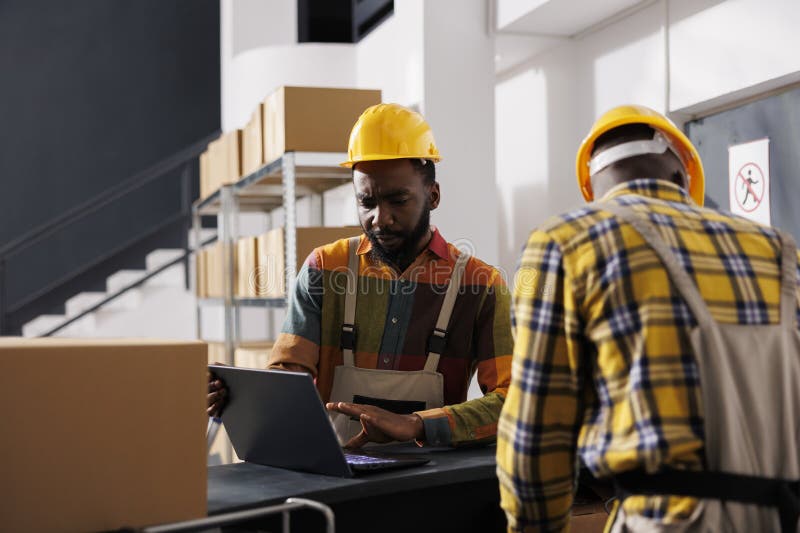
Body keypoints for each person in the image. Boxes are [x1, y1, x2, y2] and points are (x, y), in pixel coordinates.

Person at [496, 105, 800, 532]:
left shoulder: (559, 242)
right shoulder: (783, 252)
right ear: (682, 174)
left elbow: (536, 431)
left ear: (594, 187)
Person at [209, 103, 513, 449]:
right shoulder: (324, 268)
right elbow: (289, 378)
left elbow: (515, 403)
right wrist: (244, 394)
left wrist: (417, 425)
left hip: (433, 482)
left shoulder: (481, 286)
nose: (380, 220)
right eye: (366, 202)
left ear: (433, 195)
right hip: (333, 475)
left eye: (398, 200)